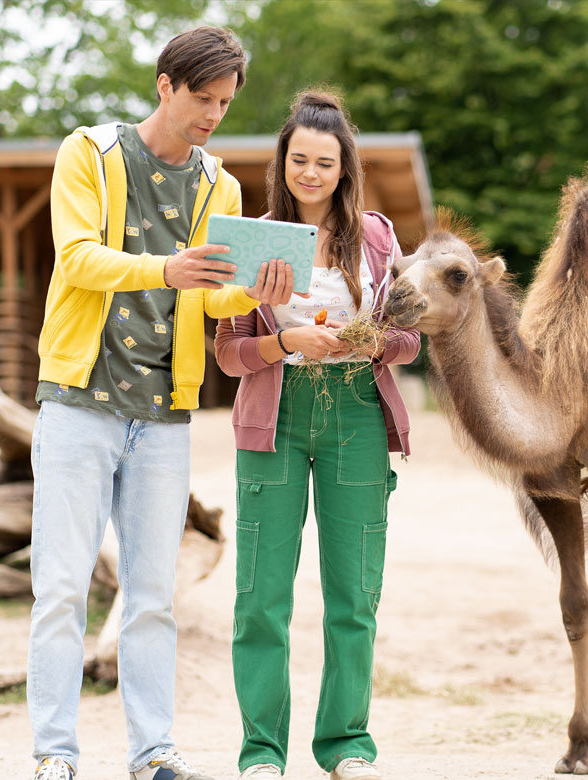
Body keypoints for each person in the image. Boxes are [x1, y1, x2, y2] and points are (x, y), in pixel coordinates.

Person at [27, 26, 294, 780]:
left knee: (152, 595)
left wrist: (258, 293)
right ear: (164, 84)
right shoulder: (88, 153)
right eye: (203, 99)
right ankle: (55, 752)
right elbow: (76, 258)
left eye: (224, 103)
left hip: (164, 414)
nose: (213, 115)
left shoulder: (222, 185)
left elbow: (213, 297)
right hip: (79, 400)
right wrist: (167, 269)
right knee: (60, 586)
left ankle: (153, 753)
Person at [214, 90, 420, 780]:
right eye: (298, 159)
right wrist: (286, 343)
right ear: (284, 162)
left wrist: (371, 346)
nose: (310, 172)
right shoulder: (258, 237)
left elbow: (412, 337)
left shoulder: (378, 239)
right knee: (261, 595)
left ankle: (346, 746)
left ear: (343, 167)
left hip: (357, 412)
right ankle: (262, 754)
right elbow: (229, 356)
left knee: (354, 593)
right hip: (273, 418)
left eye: (323, 162)